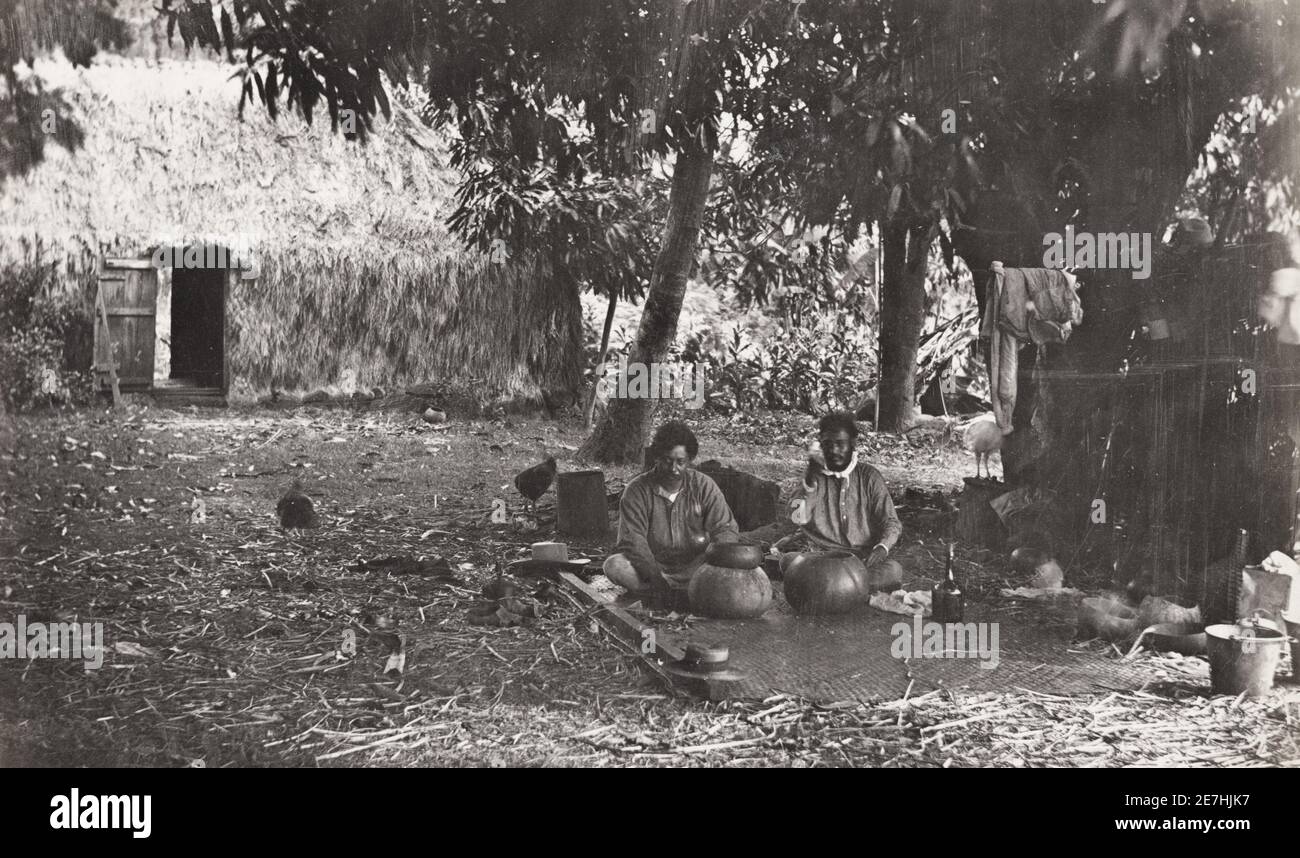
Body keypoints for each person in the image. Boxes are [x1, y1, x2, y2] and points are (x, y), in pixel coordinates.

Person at [604, 421, 739, 594]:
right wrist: (656, 578)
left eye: (680, 462)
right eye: (667, 461)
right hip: (654, 567)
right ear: (657, 458)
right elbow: (633, 541)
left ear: (689, 460)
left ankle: (686, 590)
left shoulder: (704, 486)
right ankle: (662, 592)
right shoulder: (636, 490)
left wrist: (713, 564)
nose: (674, 469)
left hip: (698, 568)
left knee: (732, 572)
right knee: (615, 565)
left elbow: (725, 529)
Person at [776, 411, 904, 590]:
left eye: (840, 444)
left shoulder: (869, 476)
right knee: (790, 560)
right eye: (827, 444)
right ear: (821, 445)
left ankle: (832, 587)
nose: (834, 450)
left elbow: (891, 521)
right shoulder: (815, 476)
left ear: (852, 444)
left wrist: (882, 547)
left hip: (860, 560)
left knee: (893, 570)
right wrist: (811, 479)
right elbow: (797, 518)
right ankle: (849, 588)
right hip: (820, 556)